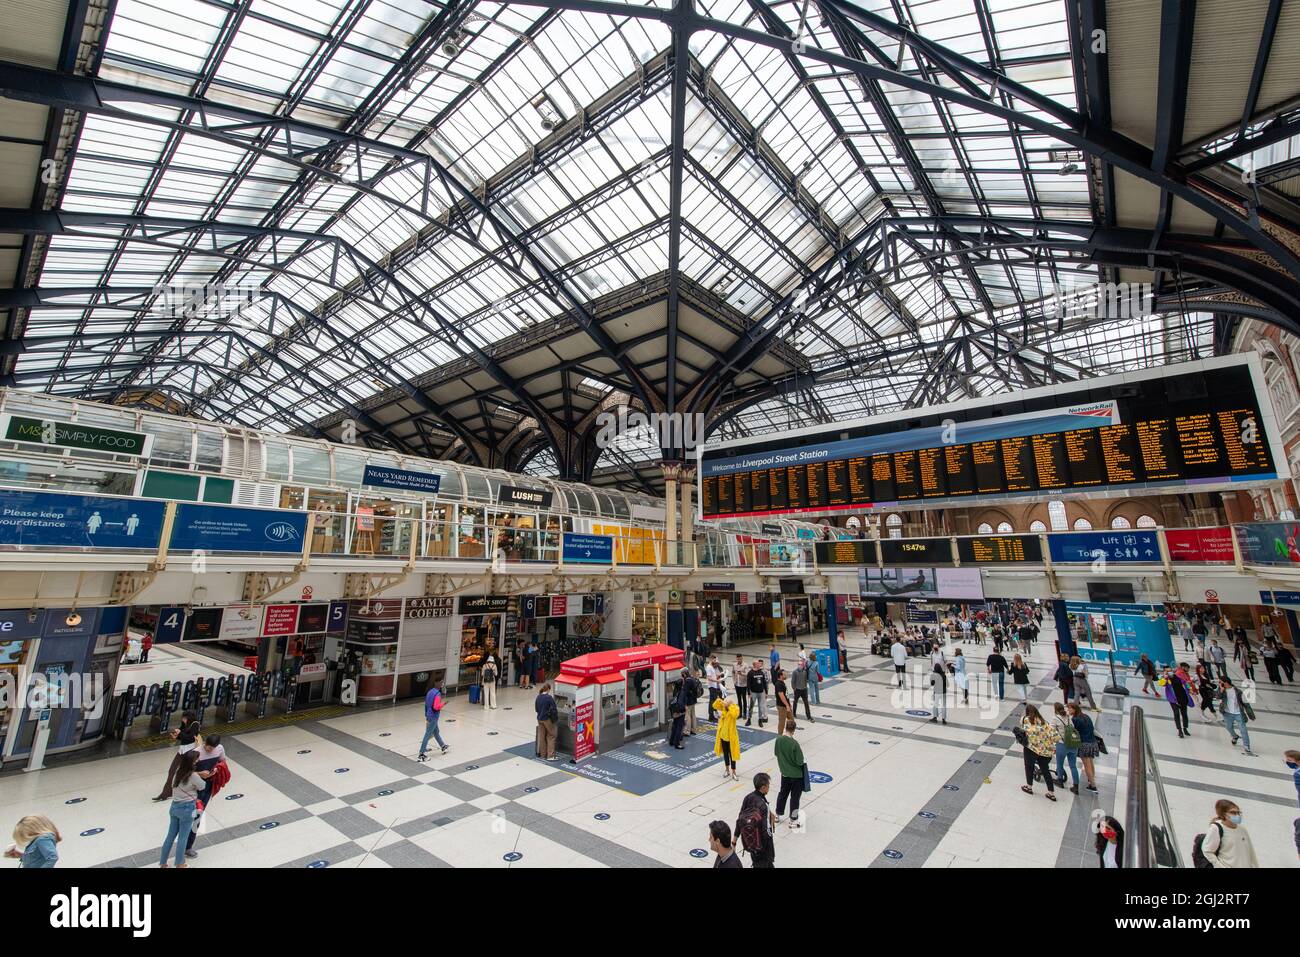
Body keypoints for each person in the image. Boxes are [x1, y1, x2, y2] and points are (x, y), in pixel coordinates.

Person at [160, 750, 206, 868]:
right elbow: (202, 786)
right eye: (196, 760)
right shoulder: (193, 776)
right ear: (192, 763)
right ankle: (180, 863)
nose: (198, 761)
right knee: (183, 837)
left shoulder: (177, 772)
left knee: (170, 836)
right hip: (187, 808)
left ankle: (163, 863)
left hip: (174, 806)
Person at [184, 733, 227, 860]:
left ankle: (188, 846)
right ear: (205, 743)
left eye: (212, 748)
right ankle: (184, 842)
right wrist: (199, 773)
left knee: (198, 816)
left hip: (207, 786)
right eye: (208, 747)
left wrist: (216, 770)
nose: (210, 750)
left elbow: (222, 762)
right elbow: (185, 772)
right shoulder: (196, 752)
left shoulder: (219, 749)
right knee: (189, 816)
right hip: (194, 788)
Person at [153, 709, 201, 801]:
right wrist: (177, 736)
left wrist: (180, 733)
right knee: (172, 770)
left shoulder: (195, 724)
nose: (183, 720)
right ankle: (166, 792)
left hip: (190, 751)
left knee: (188, 770)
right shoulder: (185, 724)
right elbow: (183, 737)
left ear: (189, 718)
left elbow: (190, 737)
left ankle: (193, 787)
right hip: (182, 750)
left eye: (184, 718)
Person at [1019, 704, 1062, 802]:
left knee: (1029, 767)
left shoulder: (1024, 719)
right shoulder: (1044, 722)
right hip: (1045, 751)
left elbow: (1023, 730)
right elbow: (1056, 737)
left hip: (1031, 749)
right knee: (1045, 770)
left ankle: (1029, 787)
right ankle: (1051, 793)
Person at [1200, 799, 1259, 868]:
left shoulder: (1242, 830)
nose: (1237, 815)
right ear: (1224, 814)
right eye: (1233, 812)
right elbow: (1207, 851)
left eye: (1238, 812)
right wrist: (1219, 866)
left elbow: (1251, 853)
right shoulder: (1216, 828)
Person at [735, 773, 776, 868]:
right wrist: (769, 851)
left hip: (750, 843)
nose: (769, 788)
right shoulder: (763, 805)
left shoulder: (748, 798)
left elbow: (739, 820)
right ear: (763, 787)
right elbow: (766, 831)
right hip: (762, 848)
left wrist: (734, 840)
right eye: (768, 786)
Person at [773, 720, 806, 829]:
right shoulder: (794, 744)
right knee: (795, 798)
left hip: (785, 774)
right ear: (794, 730)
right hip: (796, 776)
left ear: (785, 727)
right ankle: (793, 820)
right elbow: (800, 761)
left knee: (782, 794)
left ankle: (777, 815)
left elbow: (776, 753)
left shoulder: (778, 740)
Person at [1217, 677, 1254, 755]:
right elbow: (1217, 697)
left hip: (1238, 713)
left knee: (1243, 730)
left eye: (1221, 682)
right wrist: (1221, 690)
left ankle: (1246, 746)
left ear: (1226, 682)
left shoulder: (1238, 691)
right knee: (1228, 727)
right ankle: (1235, 736)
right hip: (1227, 713)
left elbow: (1246, 703)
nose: (1219, 684)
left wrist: (1250, 714)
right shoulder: (1221, 690)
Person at [1069, 702, 1099, 792]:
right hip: (1093, 742)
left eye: (1069, 708)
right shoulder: (1086, 716)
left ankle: (1093, 785)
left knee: (1087, 766)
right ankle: (1091, 780)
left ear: (1074, 709)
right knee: (1091, 763)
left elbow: (1074, 732)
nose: (1068, 710)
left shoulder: (1075, 719)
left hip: (1084, 744)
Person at [1052, 702, 1080, 794]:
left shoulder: (1055, 718)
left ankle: (1060, 781)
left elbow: (1051, 731)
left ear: (1055, 709)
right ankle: (1076, 786)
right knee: (1073, 766)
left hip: (1062, 745)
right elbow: (1073, 727)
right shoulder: (1068, 717)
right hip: (1073, 744)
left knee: (1060, 764)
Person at [418, 679, 450, 760]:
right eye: (441, 682)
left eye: (443, 682)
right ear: (436, 683)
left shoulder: (430, 692)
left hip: (429, 715)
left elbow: (426, 704)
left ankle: (443, 746)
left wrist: (426, 714)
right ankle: (421, 754)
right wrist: (443, 704)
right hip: (433, 716)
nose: (442, 684)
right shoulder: (437, 694)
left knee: (436, 732)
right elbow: (436, 707)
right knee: (428, 734)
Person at [1160, 664, 1193, 738]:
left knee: (1184, 714)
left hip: (1182, 697)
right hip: (1173, 699)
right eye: (1167, 671)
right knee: (1176, 714)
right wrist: (1165, 678)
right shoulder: (1164, 679)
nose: (1169, 672)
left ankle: (1185, 728)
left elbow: (1185, 683)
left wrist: (1190, 688)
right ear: (1165, 672)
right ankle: (1179, 730)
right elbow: (1161, 684)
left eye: (1170, 671)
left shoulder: (1177, 677)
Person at [713, 695, 741, 782]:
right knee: (725, 754)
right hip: (722, 736)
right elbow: (714, 705)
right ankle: (727, 770)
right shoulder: (723, 709)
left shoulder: (735, 708)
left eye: (726, 703)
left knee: (732, 755)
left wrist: (730, 705)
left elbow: (735, 714)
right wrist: (720, 700)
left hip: (731, 737)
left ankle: (734, 772)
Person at [535, 682, 559, 762]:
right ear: (548, 689)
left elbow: (536, 709)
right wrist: (555, 719)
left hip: (539, 719)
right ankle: (550, 756)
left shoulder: (538, 697)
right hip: (547, 719)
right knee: (551, 735)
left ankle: (543, 755)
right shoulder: (549, 698)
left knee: (542, 737)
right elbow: (554, 710)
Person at [745, 660, 769, 727]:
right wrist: (749, 693)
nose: (759, 664)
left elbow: (764, 682)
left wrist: (766, 692)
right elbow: (748, 683)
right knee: (751, 706)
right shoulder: (750, 673)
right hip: (753, 693)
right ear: (754, 664)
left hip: (761, 692)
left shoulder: (761, 672)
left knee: (761, 707)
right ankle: (749, 719)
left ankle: (760, 720)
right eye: (758, 663)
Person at [789, 658, 814, 722]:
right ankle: (793, 713)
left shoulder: (805, 672)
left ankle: (808, 716)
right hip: (797, 690)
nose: (799, 665)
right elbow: (792, 681)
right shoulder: (795, 672)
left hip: (804, 690)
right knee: (795, 702)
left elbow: (806, 680)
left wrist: (805, 687)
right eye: (798, 664)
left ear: (803, 665)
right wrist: (794, 688)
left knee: (806, 703)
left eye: (801, 664)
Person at [929, 658, 948, 725]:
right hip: (944, 692)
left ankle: (935, 717)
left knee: (935, 705)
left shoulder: (934, 675)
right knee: (944, 706)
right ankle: (943, 719)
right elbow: (947, 684)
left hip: (937, 692)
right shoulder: (944, 675)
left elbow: (932, 684)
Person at [684, 668, 702, 735]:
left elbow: (686, 692)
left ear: (684, 674)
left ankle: (687, 731)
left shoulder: (687, 681)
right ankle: (694, 730)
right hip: (693, 700)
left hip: (688, 701)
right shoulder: (693, 679)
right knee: (693, 715)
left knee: (687, 715)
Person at [773, 667, 791, 735]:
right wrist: (787, 705)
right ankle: (780, 737)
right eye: (784, 674)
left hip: (786, 705)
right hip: (782, 706)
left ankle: (789, 734)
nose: (786, 675)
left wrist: (789, 704)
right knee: (782, 723)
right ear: (781, 676)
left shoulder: (782, 682)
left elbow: (786, 695)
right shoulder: (778, 684)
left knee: (791, 721)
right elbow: (782, 696)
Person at [732, 654, 749, 721]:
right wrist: (734, 681)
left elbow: (747, 674)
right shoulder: (734, 665)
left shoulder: (745, 665)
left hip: (744, 684)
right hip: (737, 684)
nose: (739, 660)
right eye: (738, 659)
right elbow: (732, 672)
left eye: (740, 659)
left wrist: (742, 673)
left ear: (742, 658)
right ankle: (740, 713)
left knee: (744, 699)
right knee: (739, 699)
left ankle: (745, 713)